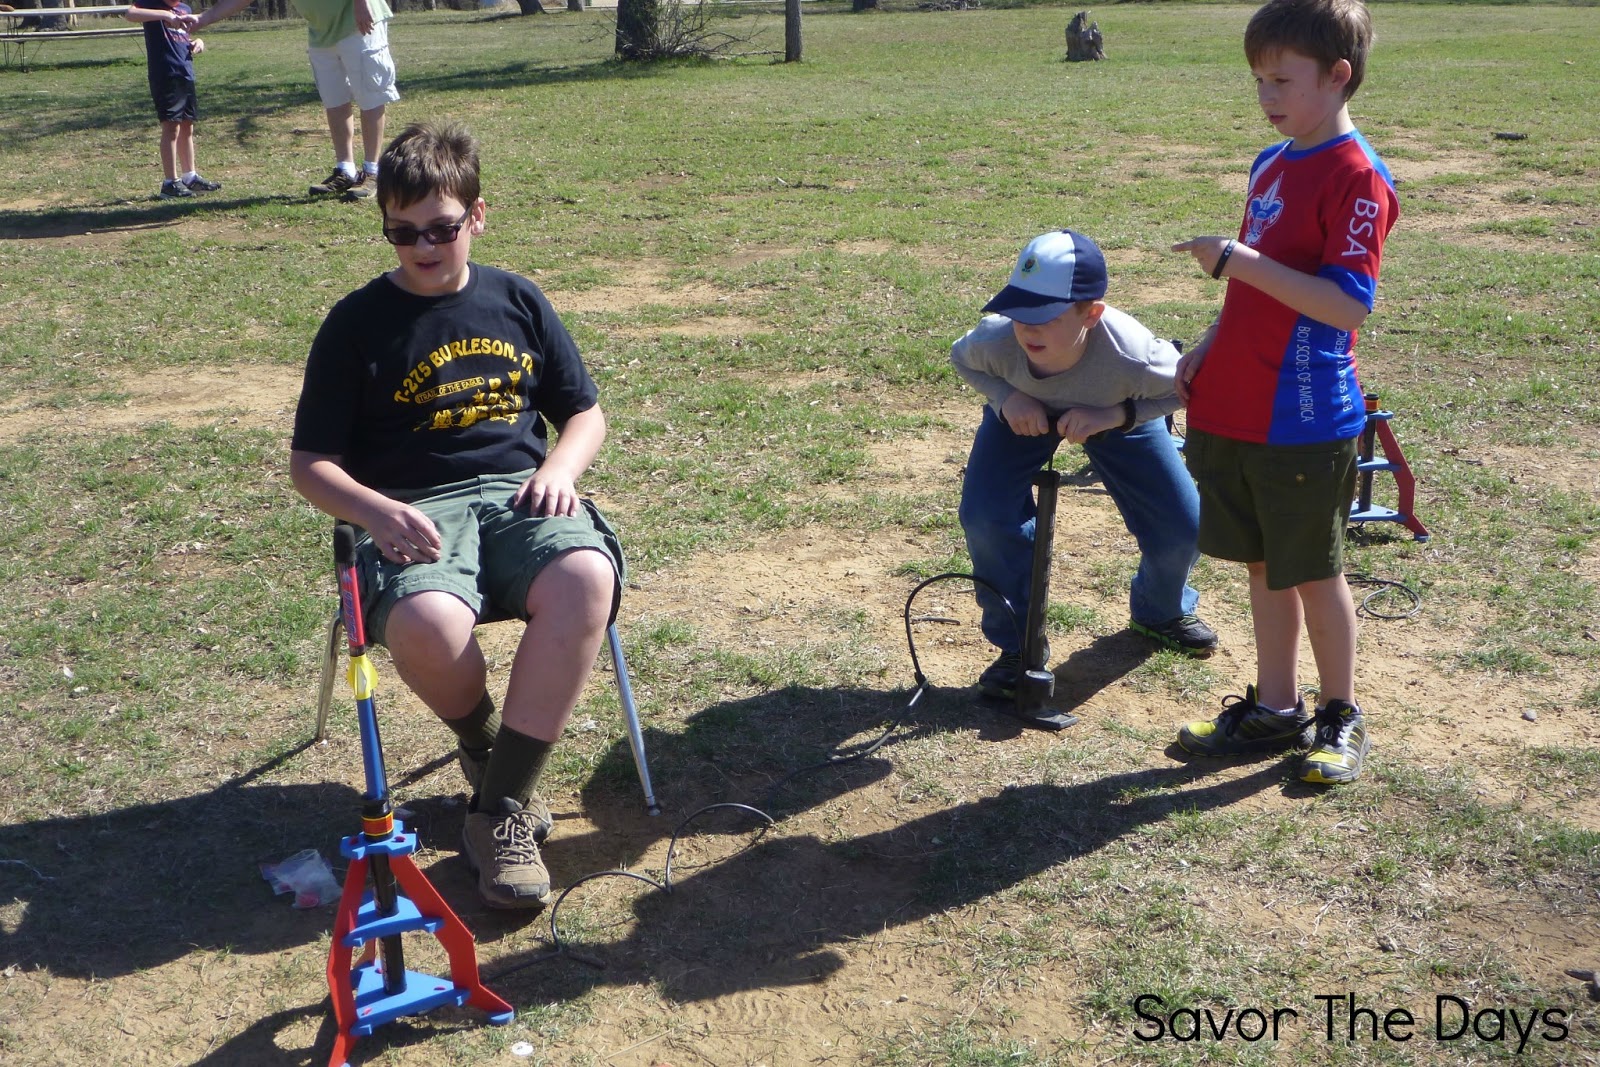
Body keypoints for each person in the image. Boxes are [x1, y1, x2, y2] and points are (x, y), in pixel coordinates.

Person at [290, 121, 624, 910]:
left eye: (440, 228)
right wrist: (376, 512)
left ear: (477, 215)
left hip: (520, 494)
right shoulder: (354, 324)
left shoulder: (516, 298)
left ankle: (498, 813)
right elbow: (311, 466)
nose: (422, 247)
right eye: (401, 233)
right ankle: (487, 751)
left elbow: (585, 414)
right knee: (430, 626)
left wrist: (559, 468)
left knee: (583, 575)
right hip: (413, 510)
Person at [1170, 0, 1397, 785]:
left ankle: (1340, 714)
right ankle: (1276, 705)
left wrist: (1237, 260)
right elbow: (1254, 292)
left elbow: (1346, 303)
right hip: (1234, 404)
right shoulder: (1271, 162)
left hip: (1303, 415)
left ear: (1339, 77)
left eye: (1283, 80)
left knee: (1314, 569)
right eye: (1258, 80)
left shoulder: (1358, 177)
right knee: (1262, 566)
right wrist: (1207, 344)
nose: (1267, 96)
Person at [952, 229, 1218, 703]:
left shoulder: (1133, 356)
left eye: (1046, 317)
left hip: (1115, 410)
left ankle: (1160, 610)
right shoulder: (996, 340)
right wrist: (1007, 396)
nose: (1028, 328)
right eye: (1020, 313)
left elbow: (1179, 388)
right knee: (986, 517)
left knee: (1184, 526)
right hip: (1022, 413)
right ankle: (1018, 646)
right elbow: (962, 359)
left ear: (1092, 313)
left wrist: (1116, 416)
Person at [195, 0, 399, 201]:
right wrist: (203, 19)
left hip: (359, 17)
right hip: (321, 29)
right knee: (334, 98)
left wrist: (362, 4)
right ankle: (345, 170)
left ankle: (373, 171)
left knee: (370, 93)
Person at [124, 0, 222, 200]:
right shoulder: (150, 4)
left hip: (185, 73)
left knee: (187, 126)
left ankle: (190, 177)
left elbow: (182, 36)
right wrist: (164, 15)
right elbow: (129, 13)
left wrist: (197, 42)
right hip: (165, 74)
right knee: (171, 127)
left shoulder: (184, 9)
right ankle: (170, 183)